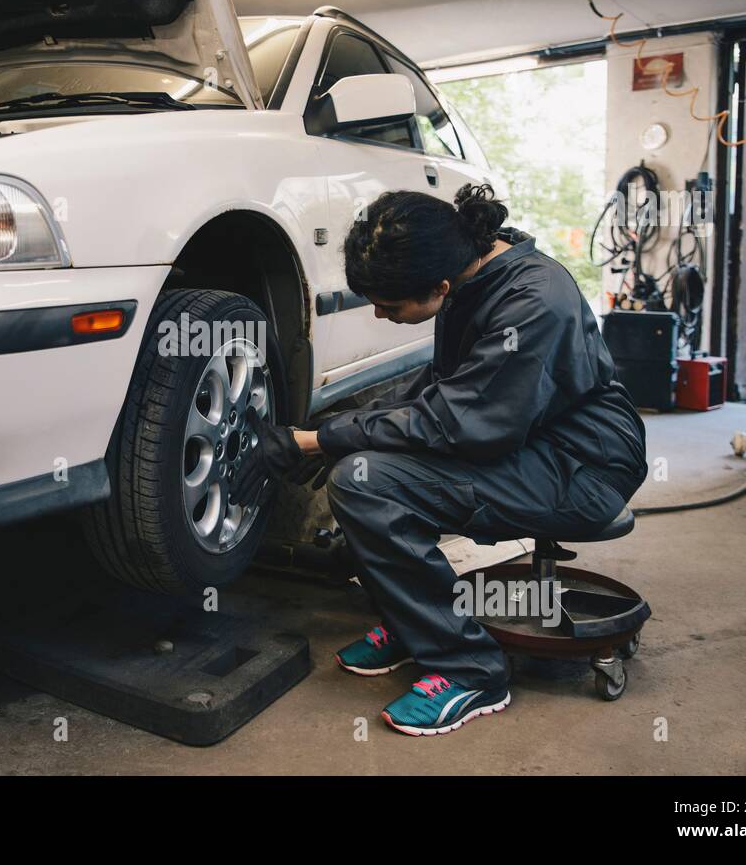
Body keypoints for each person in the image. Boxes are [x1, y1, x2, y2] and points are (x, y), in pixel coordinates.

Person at [232, 184, 648, 736]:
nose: (380, 315)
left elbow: (461, 425)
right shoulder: (473, 278)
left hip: (583, 467)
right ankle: (415, 623)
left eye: (390, 305)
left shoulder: (533, 303)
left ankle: (470, 669)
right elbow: (437, 389)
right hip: (529, 442)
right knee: (361, 465)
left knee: (366, 483)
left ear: (441, 286)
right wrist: (331, 435)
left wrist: (324, 440)